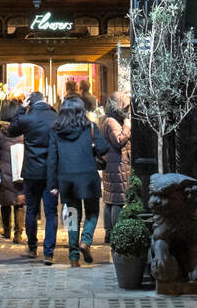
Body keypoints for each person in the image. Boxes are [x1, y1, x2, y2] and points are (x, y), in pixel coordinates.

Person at [46, 95, 108, 267]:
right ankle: (86, 241)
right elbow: (104, 148)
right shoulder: (90, 127)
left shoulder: (55, 130)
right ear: (82, 110)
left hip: (66, 178)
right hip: (88, 176)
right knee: (92, 212)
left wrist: (52, 184)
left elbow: (52, 159)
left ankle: (73, 257)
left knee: (72, 215)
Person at [7, 90, 60, 263]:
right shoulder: (55, 117)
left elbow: (10, 130)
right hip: (51, 173)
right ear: (45, 101)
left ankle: (31, 247)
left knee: (31, 210)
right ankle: (49, 253)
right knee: (51, 212)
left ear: (30, 103)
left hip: (31, 172)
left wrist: (21, 109)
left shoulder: (27, 118)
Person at [0, 99, 25, 242]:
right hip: (19, 170)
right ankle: (18, 234)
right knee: (19, 201)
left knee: (5, 201)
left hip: (4, 171)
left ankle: (7, 231)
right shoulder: (22, 130)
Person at [100, 91, 132, 242]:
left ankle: (109, 233)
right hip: (117, 164)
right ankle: (115, 234)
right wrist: (127, 126)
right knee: (118, 200)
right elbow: (119, 141)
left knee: (110, 199)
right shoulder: (112, 122)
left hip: (112, 164)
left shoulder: (106, 119)